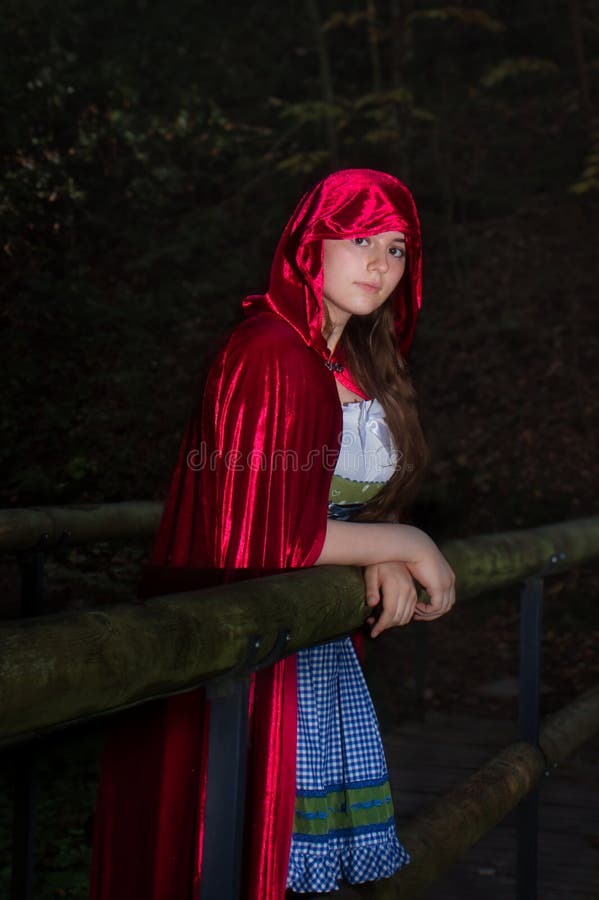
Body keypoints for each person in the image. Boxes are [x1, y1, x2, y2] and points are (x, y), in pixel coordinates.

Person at [90, 168, 455, 900]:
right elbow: (270, 536)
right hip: (246, 634)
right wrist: (408, 544)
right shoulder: (270, 351)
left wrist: (379, 544)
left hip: (308, 641)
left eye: (396, 249)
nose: (380, 265)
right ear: (310, 246)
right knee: (234, 849)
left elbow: (329, 504)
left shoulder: (352, 359)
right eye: (359, 241)